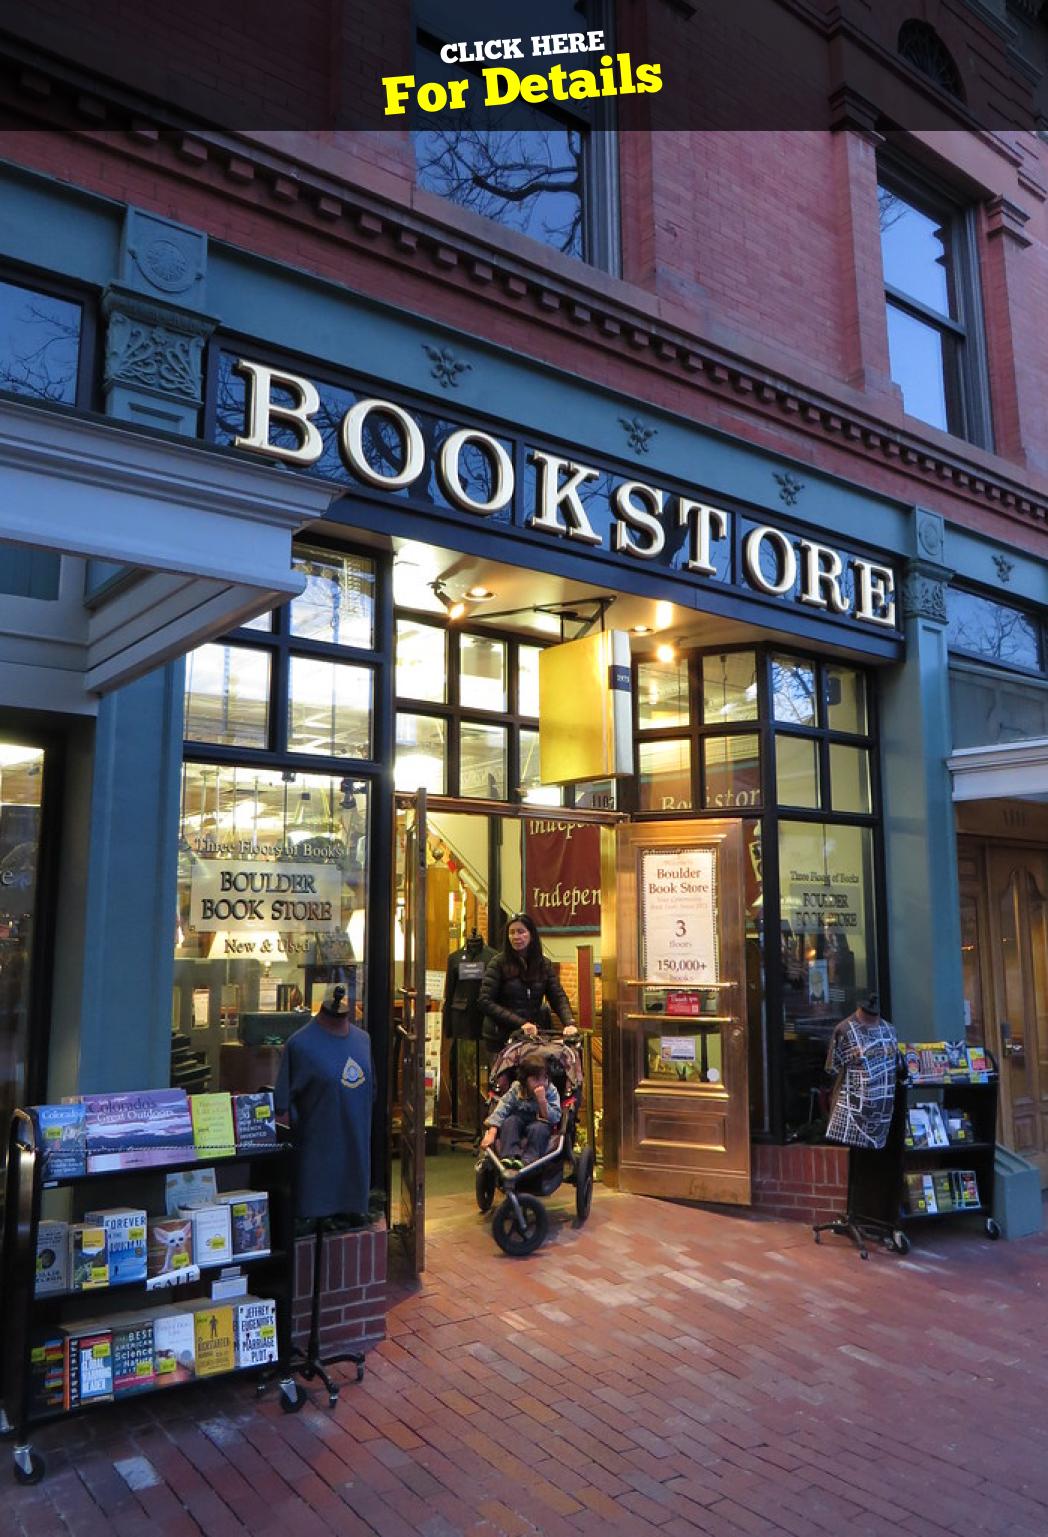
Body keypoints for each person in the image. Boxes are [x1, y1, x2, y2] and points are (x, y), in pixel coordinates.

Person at [274, 982, 375, 1226]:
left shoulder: (363, 1041)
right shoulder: (300, 1044)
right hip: (317, 1170)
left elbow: (371, 1093)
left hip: (356, 1163)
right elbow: (281, 1106)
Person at [479, 912, 574, 1056]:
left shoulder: (544, 964)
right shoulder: (497, 964)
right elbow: (485, 1001)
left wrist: (569, 1023)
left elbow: (558, 997)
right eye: (512, 932)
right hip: (501, 1037)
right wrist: (521, 1023)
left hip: (532, 1035)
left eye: (521, 932)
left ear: (531, 935)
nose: (516, 937)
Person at [480, 1051, 561, 1167]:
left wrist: (542, 1101)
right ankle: (509, 1156)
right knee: (510, 1121)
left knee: (539, 1129)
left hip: (540, 1122)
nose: (542, 1083)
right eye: (536, 1079)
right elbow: (503, 1107)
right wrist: (492, 1132)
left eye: (545, 1078)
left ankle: (528, 1160)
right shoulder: (517, 1088)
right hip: (519, 1121)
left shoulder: (550, 1091)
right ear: (525, 1080)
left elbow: (555, 1118)